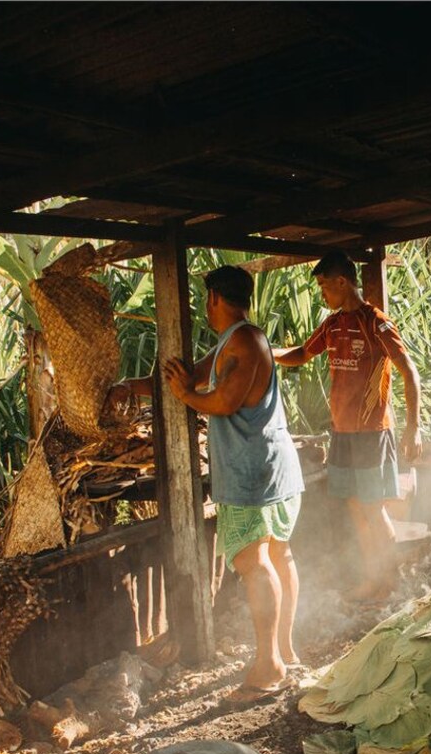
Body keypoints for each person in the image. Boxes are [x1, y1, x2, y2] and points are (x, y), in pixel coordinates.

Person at [106, 265, 305, 705]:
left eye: (205, 297)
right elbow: (188, 377)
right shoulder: (233, 342)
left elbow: (221, 401)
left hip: (253, 472)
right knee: (276, 554)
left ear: (214, 297)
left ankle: (270, 665)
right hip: (270, 467)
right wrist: (132, 387)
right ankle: (284, 650)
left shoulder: (245, 341)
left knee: (256, 564)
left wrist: (184, 398)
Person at [273, 251, 422, 606]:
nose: (322, 294)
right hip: (342, 434)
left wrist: (413, 427)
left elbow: (409, 372)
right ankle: (374, 580)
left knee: (373, 509)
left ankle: (392, 585)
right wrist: (269, 352)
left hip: (372, 432)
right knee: (357, 508)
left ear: (342, 282)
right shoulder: (332, 325)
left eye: (325, 286)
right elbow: (301, 354)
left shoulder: (376, 322)